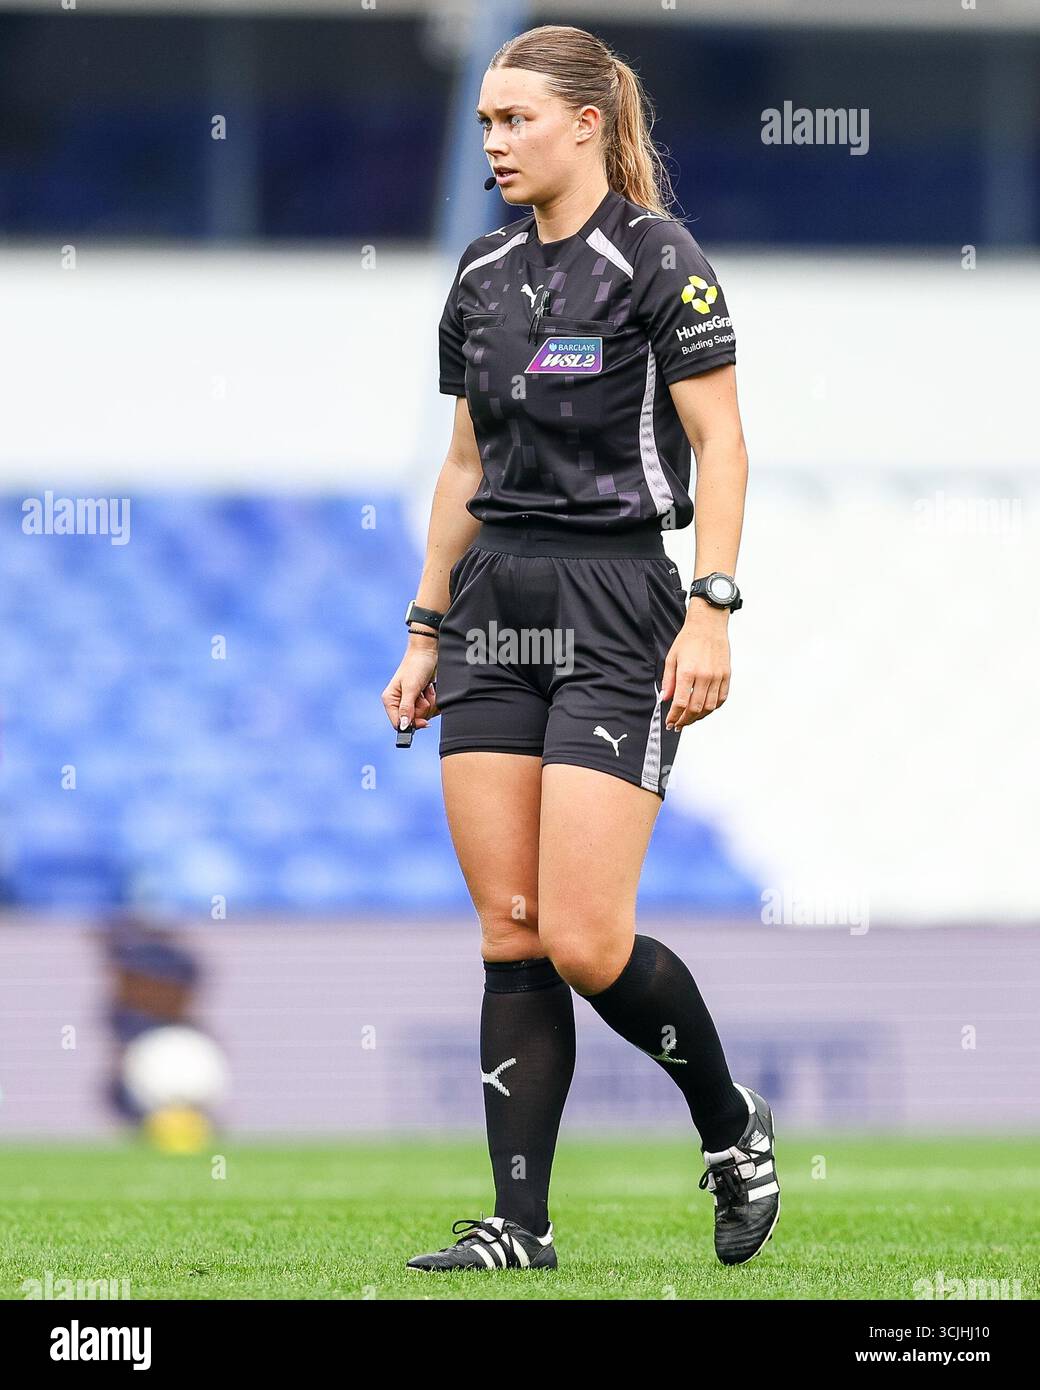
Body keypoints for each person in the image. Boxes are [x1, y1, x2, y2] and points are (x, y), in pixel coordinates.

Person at [381, 23, 779, 1273]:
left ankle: (730, 1128)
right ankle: (519, 1224)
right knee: (508, 924)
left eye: (514, 121)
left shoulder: (660, 259)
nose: (492, 141)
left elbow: (721, 444)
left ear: (587, 124)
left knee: (583, 939)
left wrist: (710, 603)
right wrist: (424, 625)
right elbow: (461, 463)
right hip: (493, 602)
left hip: (617, 601)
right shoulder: (481, 270)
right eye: (486, 122)